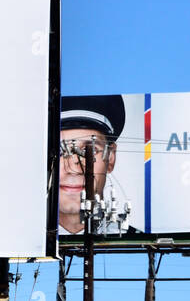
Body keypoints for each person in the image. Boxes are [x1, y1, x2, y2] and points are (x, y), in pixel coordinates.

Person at [58, 94, 135, 236]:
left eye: (91, 150)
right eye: (60, 151)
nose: (74, 168)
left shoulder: (138, 245)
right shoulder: (17, 244)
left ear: (111, 157)